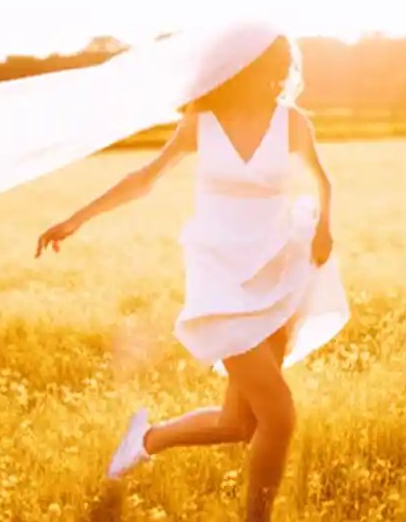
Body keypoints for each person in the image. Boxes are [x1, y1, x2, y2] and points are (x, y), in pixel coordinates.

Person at [35, 35, 349, 520]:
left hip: (278, 274)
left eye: (279, 66)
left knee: (239, 422)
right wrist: (78, 217)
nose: (277, 75)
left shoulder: (292, 123)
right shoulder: (200, 126)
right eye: (268, 65)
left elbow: (322, 180)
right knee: (280, 417)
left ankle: (146, 439)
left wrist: (324, 228)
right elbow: (144, 178)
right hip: (220, 283)